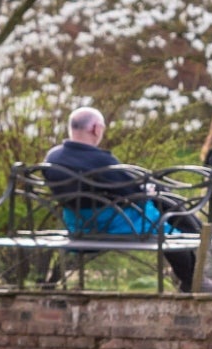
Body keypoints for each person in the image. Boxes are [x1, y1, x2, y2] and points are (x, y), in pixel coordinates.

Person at [41, 106, 199, 293]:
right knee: (171, 229)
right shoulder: (101, 160)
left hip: (77, 223)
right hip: (113, 223)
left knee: (163, 201)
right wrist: (148, 190)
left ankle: (198, 235)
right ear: (96, 129)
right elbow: (133, 194)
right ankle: (193, 275)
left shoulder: (53, 156)